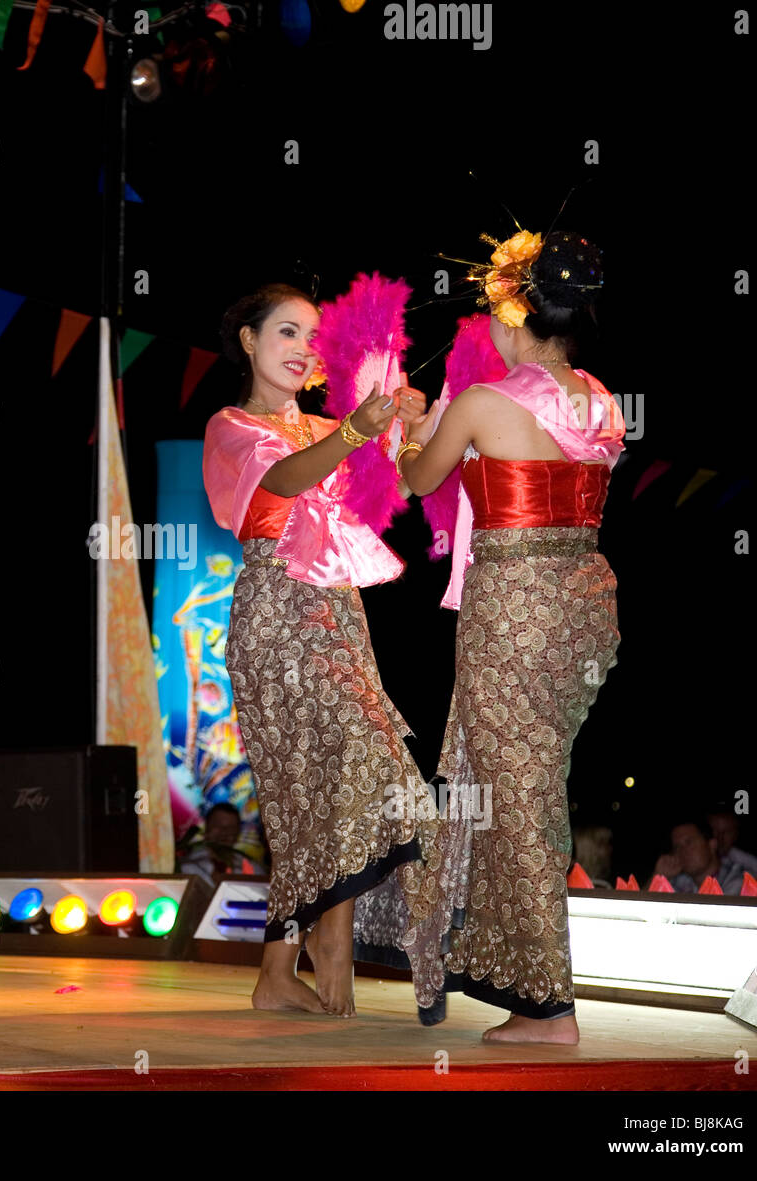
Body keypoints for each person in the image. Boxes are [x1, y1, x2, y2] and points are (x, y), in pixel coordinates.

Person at [397, 231, 625, 1044]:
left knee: (520, 795)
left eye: (495, 305)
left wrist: (401, 436)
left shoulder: (485, 403)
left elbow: (417, 480)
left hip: (516, 604)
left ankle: (550, 1005)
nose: (488, 321)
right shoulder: (602, 400)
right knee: (535, 783)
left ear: (520, 308)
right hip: (585, 606)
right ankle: (525, 978)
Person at [202, 282, 436, 1018]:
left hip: (340, 610)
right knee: (329, 781)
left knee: (338, 788)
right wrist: (356, 433)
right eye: (286, 333)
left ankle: (286, 965)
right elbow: (281, 479)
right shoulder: (231, 424)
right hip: (277, 608)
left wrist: (415, 428)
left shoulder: (339, 423)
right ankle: (319, 957)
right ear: (248, 340)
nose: (303, 349)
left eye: (312, 337)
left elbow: (402, 484)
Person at [176, 802, 265, 888]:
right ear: (207, 829)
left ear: (238, 833)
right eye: (217, 825)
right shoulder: (186, 865)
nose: (224, 832)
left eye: (231, 827)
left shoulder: (253, 869)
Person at [654, 819, 748, 895]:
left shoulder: (739, 880)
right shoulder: (681, 880)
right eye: (677, 847)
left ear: (712, 844)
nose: (682, 851)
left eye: (689, 843)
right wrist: (658, 876)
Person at [705, 808, 757, 881]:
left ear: (736, 835)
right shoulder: (692, 861)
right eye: (714, 830)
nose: (720, 838)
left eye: (727, 832)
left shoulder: (753, 866)